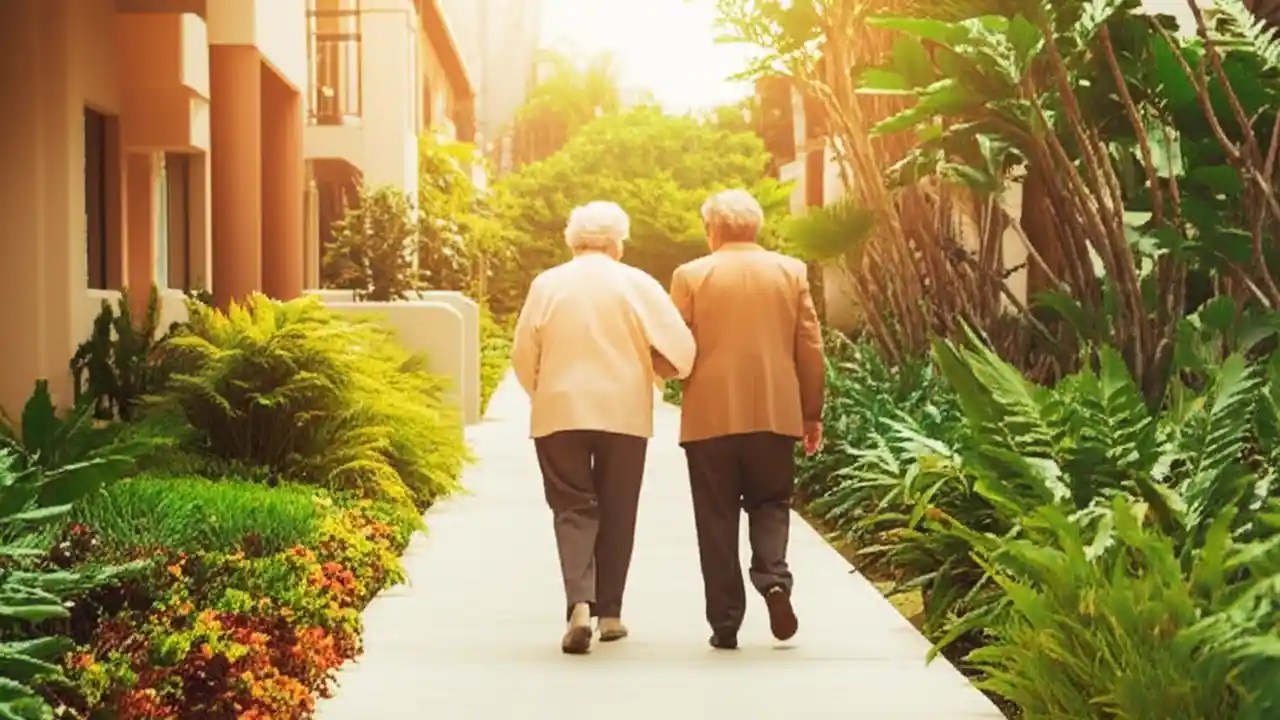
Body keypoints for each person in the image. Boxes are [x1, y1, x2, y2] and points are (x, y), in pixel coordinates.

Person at [511, 200, 696, 655]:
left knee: (572, 508)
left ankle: (579, 604)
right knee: (618, 508)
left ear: (573, 242)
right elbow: (683, 350)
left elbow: (522, 353)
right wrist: (657, 371)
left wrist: (542, 391)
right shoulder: (637, 283)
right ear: (618, 243)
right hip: (624, 413)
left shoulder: (547, 284)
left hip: (560, 411)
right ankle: (610, 614)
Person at [665, 189, 825, 650]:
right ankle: (774, 581)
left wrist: (663, 373)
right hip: (774, 414)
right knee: (770, 503)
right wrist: (811, 413)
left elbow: (675, 345)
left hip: (709, 418)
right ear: (755, 227)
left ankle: (725, 623)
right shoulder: (790, 272)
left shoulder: (691, 275)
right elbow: (810, 348)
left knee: (715, 518)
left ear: (712, 230)